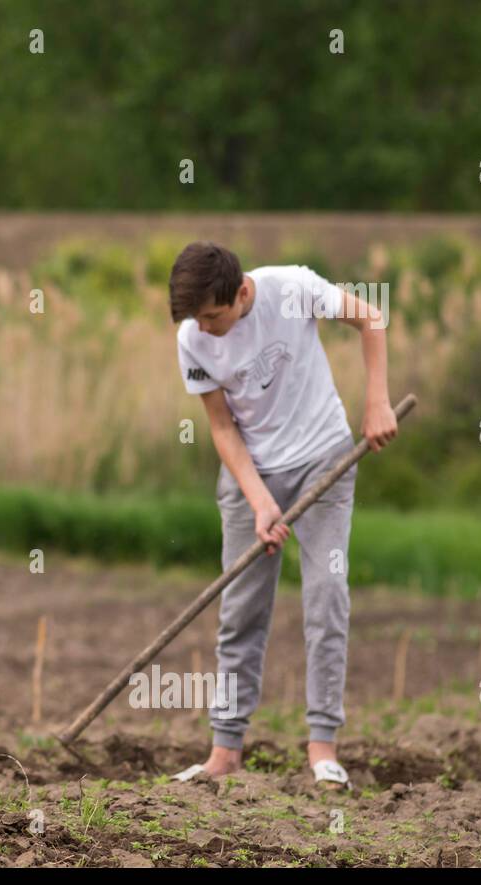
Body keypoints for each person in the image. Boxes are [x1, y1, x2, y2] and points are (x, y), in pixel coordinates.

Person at [167, 241, 396, 789]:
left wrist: (377, 401)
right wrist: (259, 500)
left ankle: (322, 748)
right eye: (197, 319)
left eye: (214, 316)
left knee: (326, 595)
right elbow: (223, 429)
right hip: (253, 475)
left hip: (325, 463)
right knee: (241, 610)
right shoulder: (192, 339)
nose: (206, 328)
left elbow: (371, 317)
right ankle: (224, 750)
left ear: (243, 291)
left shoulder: (292, 288)